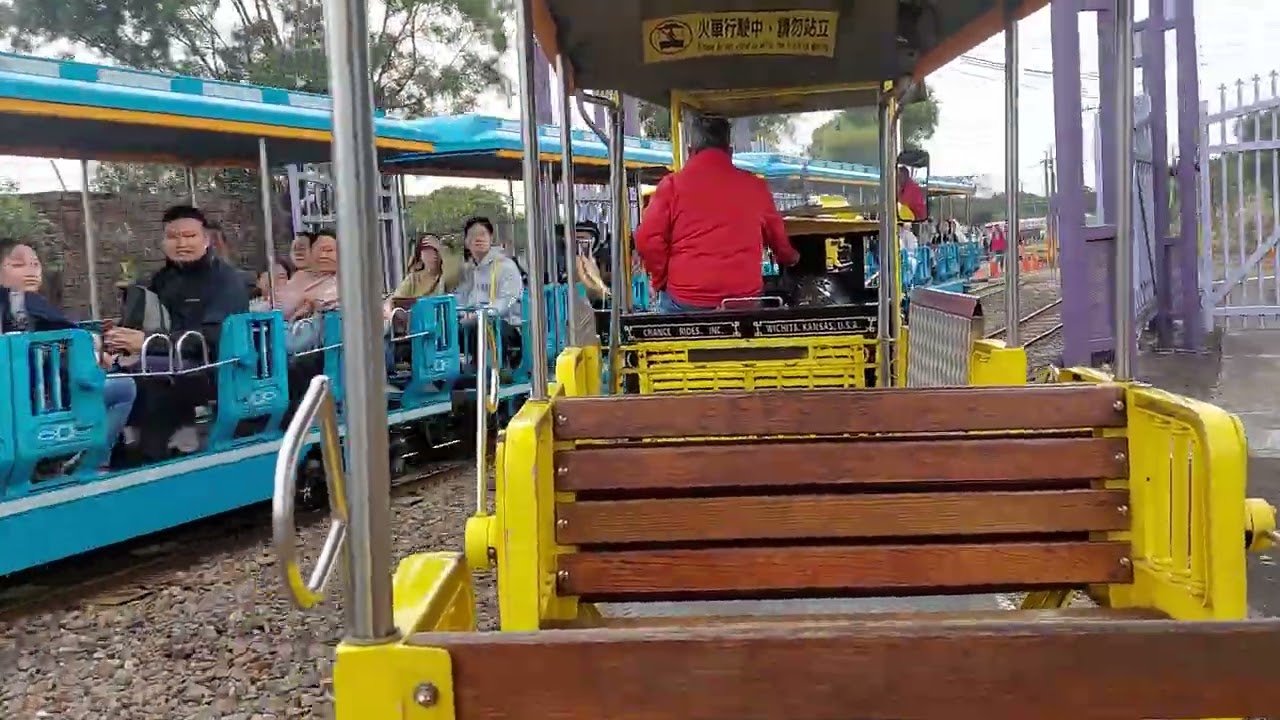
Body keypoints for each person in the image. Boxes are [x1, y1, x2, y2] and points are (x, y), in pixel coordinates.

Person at [104, 204, 250, 462]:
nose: (181, 243)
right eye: (173, 237)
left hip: (216, 367)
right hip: (167, 359)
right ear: (163, 242)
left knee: (147, 371)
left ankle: (153, 453)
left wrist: (148, 342)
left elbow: (211, 338)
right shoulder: (161, 280)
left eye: (190, 236)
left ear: (206, 240)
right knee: (108, 371)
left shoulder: (227, 281)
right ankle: (111, 447)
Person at [634, 114, 799, 313]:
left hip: (685, 300)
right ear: (729, 151)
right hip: (743, 299)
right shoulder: (755, 187)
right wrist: (790, 258)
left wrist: (661, 280)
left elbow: (647, 239)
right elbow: (778, 238)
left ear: (690, 151)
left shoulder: (671, 186)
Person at [0, 239, 137, 453]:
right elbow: (79, 338)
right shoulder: (22, 300)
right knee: (124, 388)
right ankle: (91, 455)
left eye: (35, 264)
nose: (31, 271)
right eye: (18, 265)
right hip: (40, 399)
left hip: (24, 397)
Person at [454, 216, 525, 364]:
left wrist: (480, 314)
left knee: (479, 328)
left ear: (491, 239)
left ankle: (486, 373)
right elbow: (460, 296)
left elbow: (507, 301)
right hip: (474, 321)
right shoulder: (469, 270)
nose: (478, 239)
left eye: (483, 234)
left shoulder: (505, 266)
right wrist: (460, 314)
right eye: (473, 235)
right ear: (467, 242)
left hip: (506, 325)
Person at [390, 234, 452, 300]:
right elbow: (395, 299)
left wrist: (440, 249)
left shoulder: (447, 276)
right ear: (420, 255)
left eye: (435, 250)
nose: (432, 254)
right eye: (427, 250)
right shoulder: (413, 279)